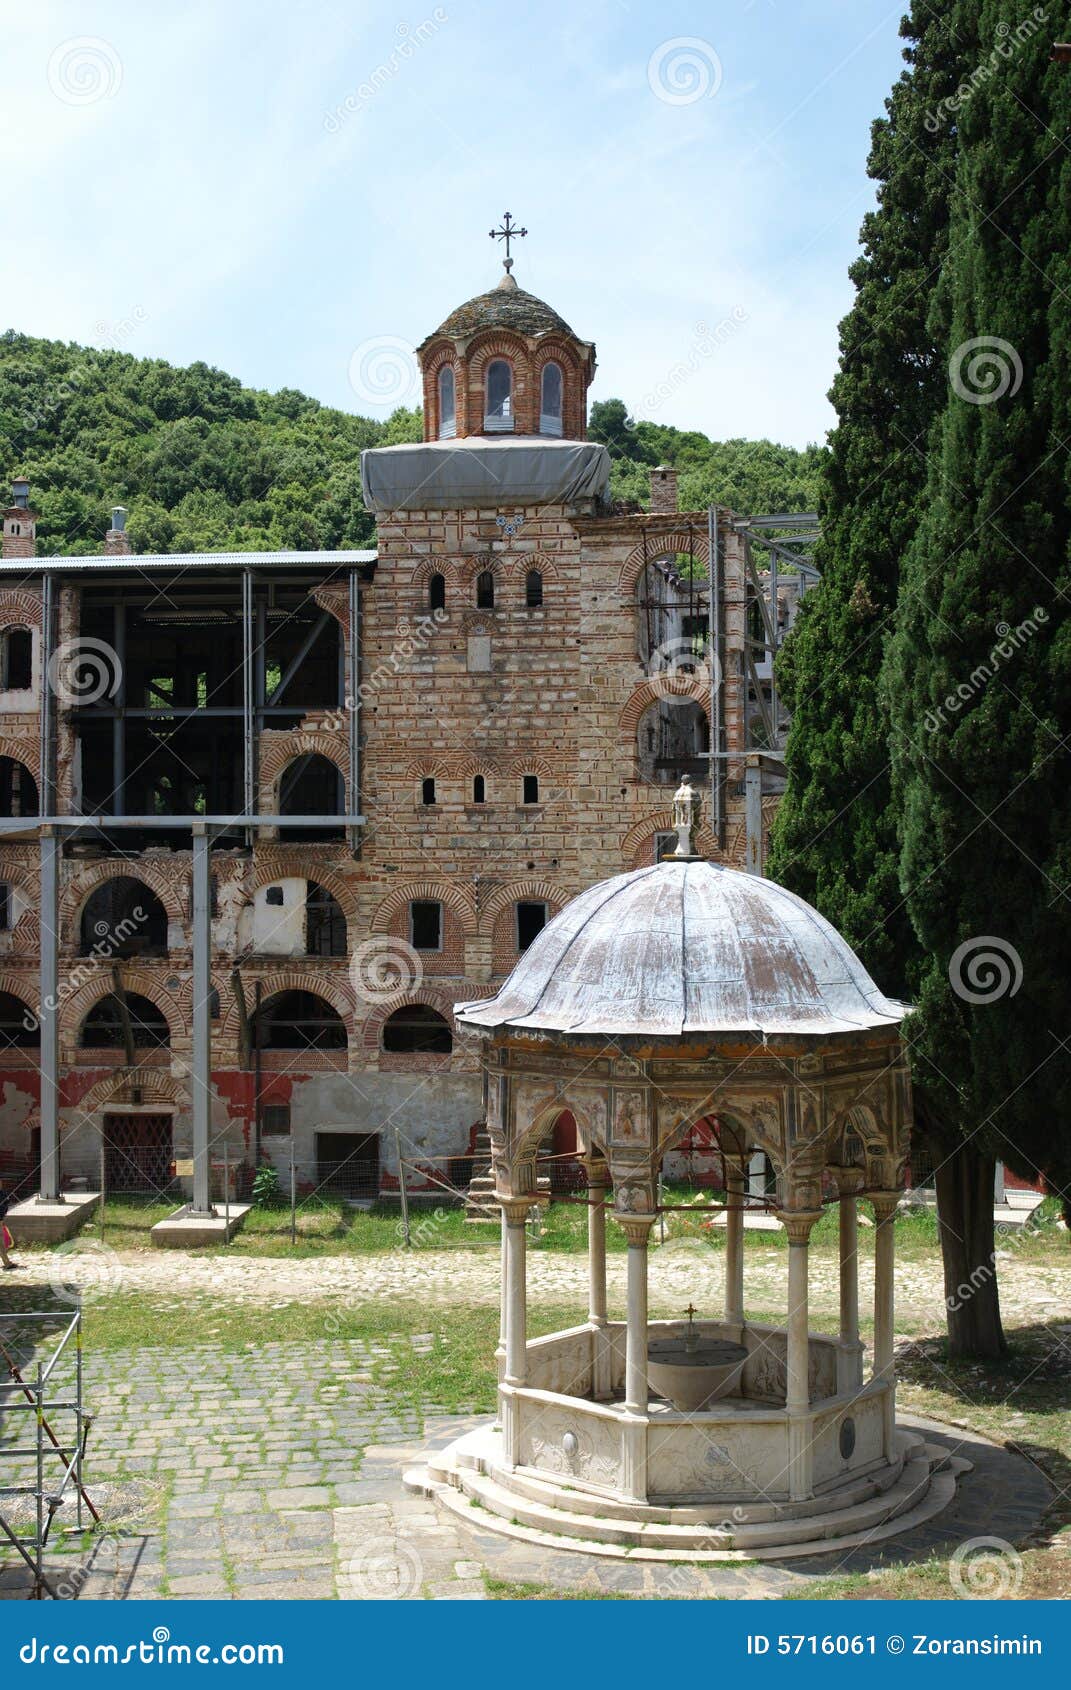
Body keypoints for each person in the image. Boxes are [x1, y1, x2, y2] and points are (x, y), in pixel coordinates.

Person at [0, 1179, 18, 1269]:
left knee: (2, 1243)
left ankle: (7, 1263)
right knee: (1, 1244)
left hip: (0, 1221)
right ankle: (7, 1263)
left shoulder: (3, 1193)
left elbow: (6, 1204)